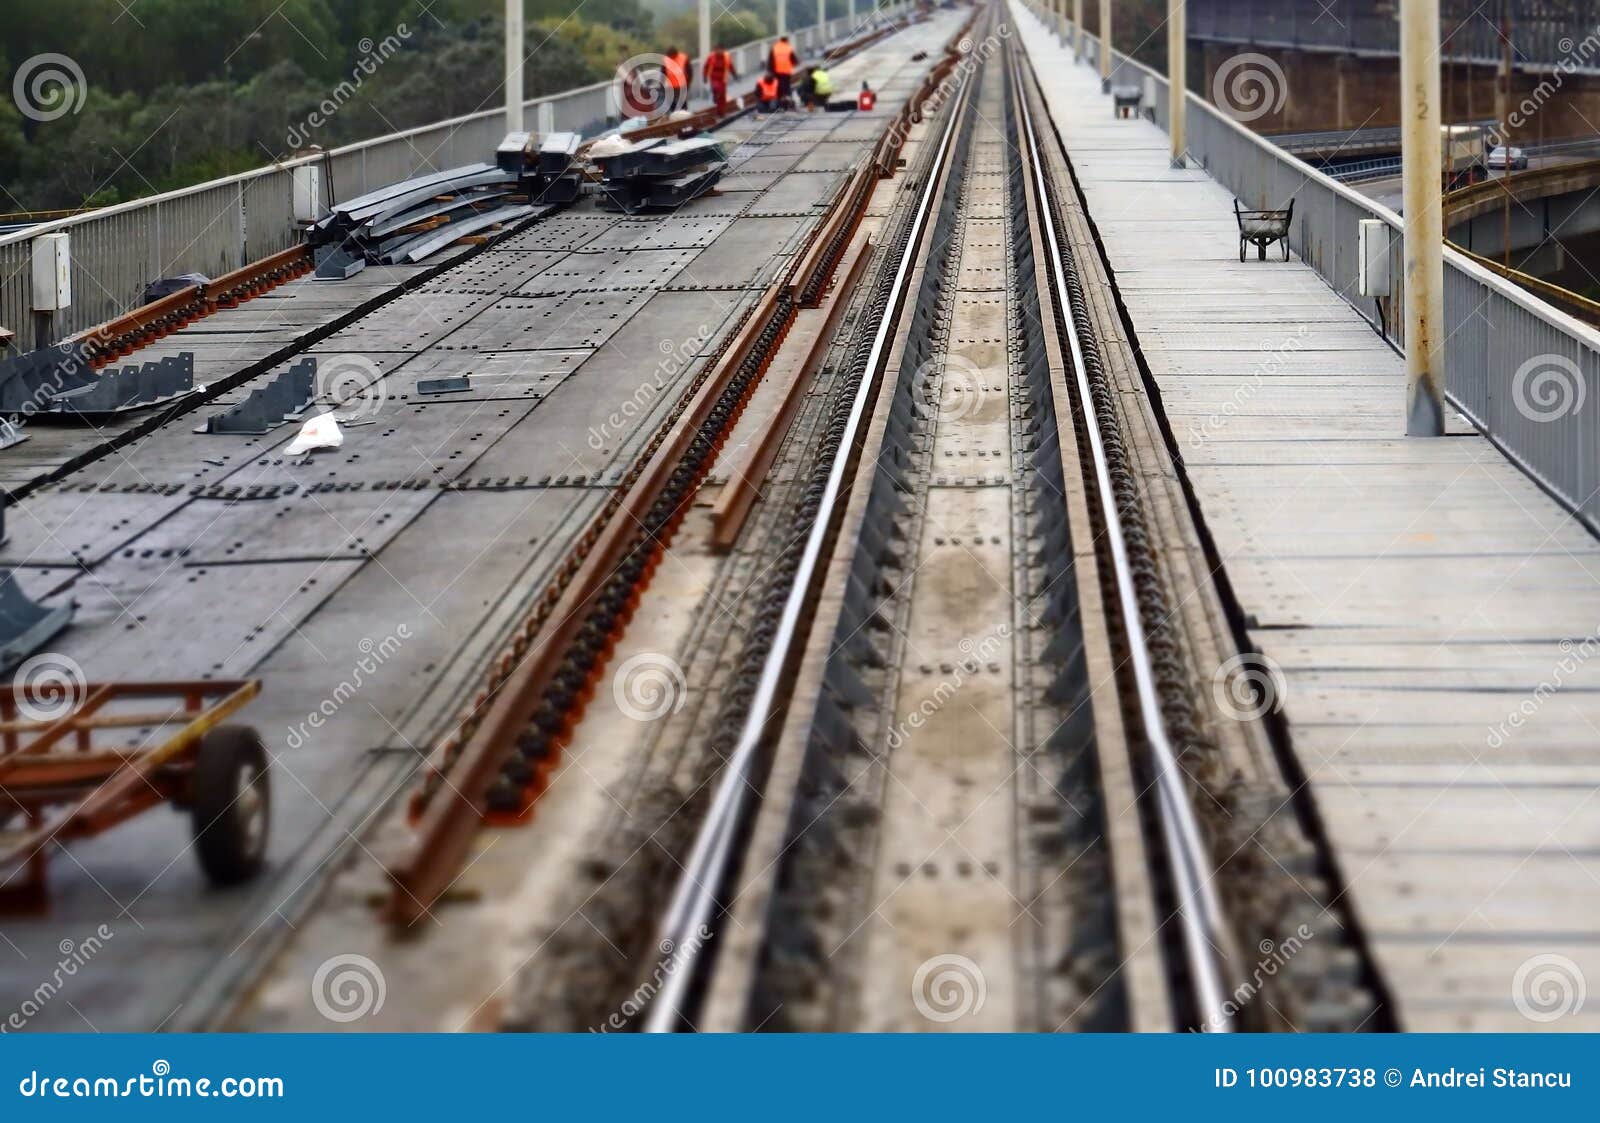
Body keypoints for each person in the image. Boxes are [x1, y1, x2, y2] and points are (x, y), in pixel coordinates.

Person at [768, 35, 799, 105]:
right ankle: (787, 99)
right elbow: (794, 59)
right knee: (786, 85)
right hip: (786, 71)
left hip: (776, 71)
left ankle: (779, 100)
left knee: (778, 85)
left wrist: (770, 70)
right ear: (786, 41)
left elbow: (770, 60)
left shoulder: (774, 47)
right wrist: (795, 63)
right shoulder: (788, 48)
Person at [663, 47, 690, 112]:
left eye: (671, 56)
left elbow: (689, 72)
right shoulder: (666, 60)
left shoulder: (683, 58)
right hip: (670, 86)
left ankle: (684, 115)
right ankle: (673, 114)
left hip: (682, 85)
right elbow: (663, 72)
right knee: (671, 102)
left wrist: (688, 83)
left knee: (683, 102)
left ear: (675, 54)